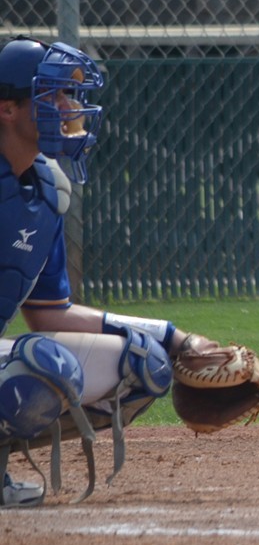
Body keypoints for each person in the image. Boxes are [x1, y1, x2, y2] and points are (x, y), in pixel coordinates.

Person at [0, 38, 235, 507]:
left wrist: (175, 337)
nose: (68, 108)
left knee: (143, 364)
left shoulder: (46, 192)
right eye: (54, 96)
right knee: (45, 369)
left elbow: (51, 314)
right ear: (8, 109)